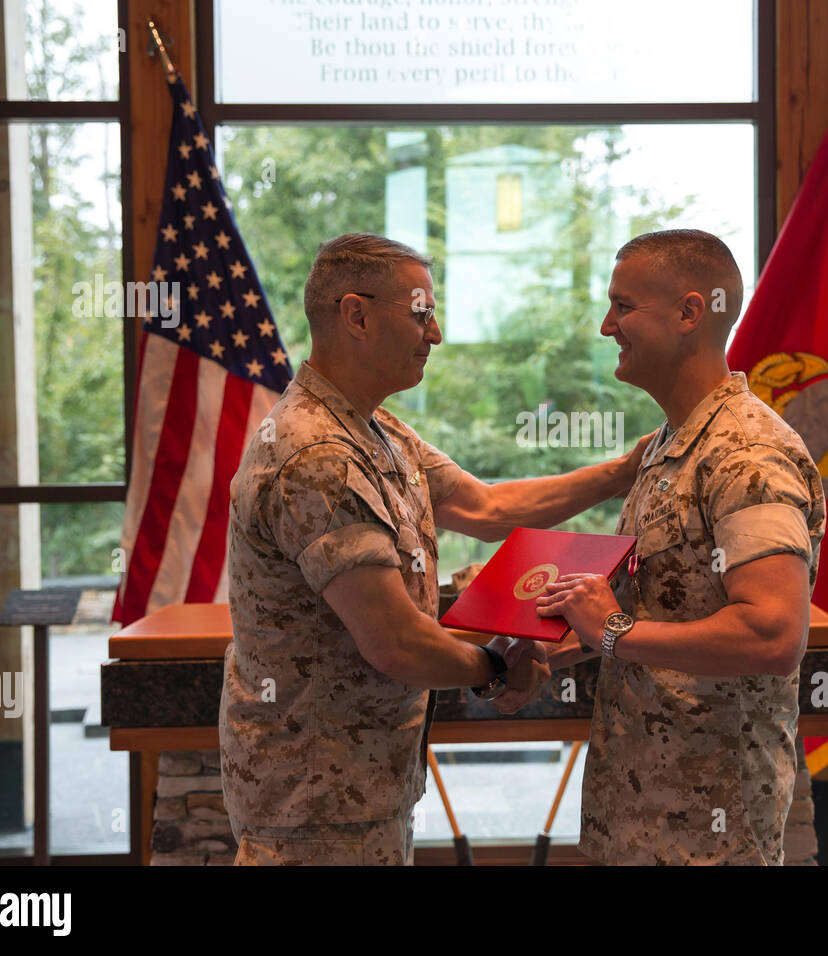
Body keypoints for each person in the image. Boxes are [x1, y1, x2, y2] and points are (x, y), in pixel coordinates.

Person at [220, 233, 648, 865]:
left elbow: (487, 508)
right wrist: (500, 668)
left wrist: (623, 470)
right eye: (421, 313)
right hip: (312, 798)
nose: (437, 333)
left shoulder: (377, 429)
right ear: (356, 315)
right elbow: (396, 643)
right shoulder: (317, 456)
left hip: (361, 780)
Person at [531, 229, 827, 865]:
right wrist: (532, 656)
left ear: (692, 313)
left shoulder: (748, 454)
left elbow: (773, 636)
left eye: (624, 306)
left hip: (709, 828)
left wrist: (610, 630)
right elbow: (655, 615)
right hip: (641, 808)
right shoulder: (668, 447)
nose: (607, 325)